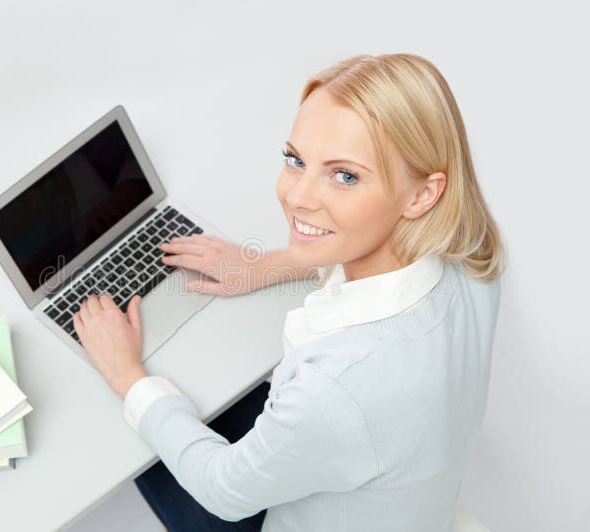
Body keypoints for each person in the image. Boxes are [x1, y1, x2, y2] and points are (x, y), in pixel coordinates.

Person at [71, 52, 506, 532]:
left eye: (345, 175)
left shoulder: (337, 388)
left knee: (141, 446)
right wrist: (263, 266)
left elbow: (223, 490)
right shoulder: (474, 254)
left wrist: (126, 373)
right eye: (296, 160)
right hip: (405, 497)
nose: (296, 197)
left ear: (423, 194)